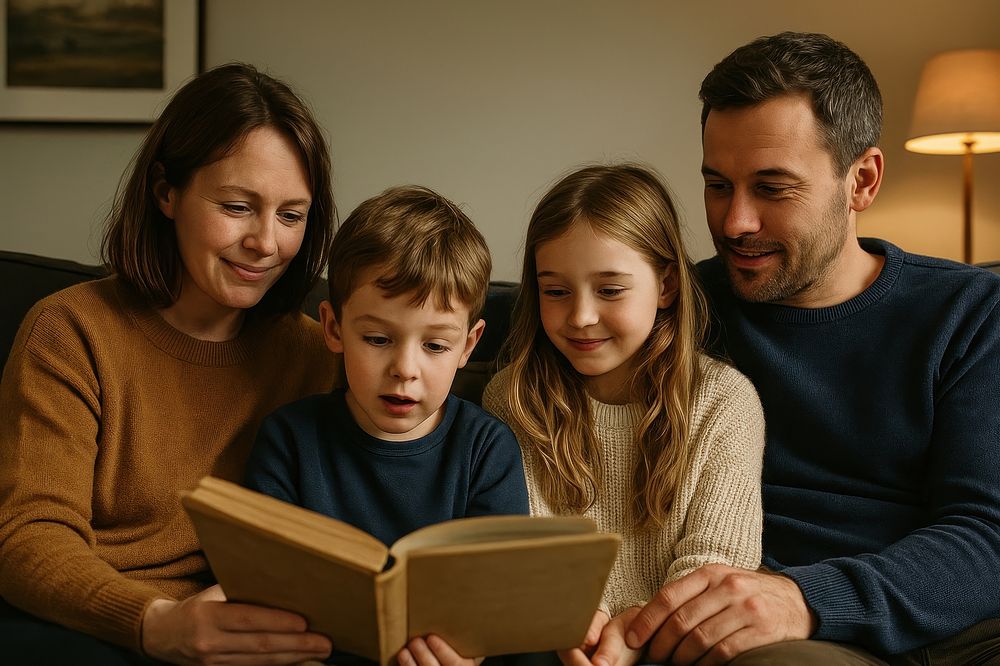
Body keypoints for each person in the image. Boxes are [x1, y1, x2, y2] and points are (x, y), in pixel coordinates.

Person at [624, 32, 1000, 665]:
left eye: (773, 189)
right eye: (718, 185)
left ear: (862, 181)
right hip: (710, 619)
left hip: (907, 633)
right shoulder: (676, 306)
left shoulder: (969, 314)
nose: (736, 223)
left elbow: (987, 537)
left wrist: (803, 599)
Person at [0, 63, 342, 665]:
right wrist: (156, 625)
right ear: (166, 191)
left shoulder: (318, 353)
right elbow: (29, 539)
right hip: (96, 630)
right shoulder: (71, 331)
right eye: (238, 206)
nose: (267, 243)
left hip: (259, 633)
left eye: (291, 216)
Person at [482, 164, 766, 666]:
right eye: (556, 291)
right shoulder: (514, 398)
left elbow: (715, 565)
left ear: (666, 286)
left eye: (610, 290)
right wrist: (574, 618)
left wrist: (632, 636)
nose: (580, 316)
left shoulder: (725, 402)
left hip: (678, 642)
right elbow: (526, 549)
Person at [244, 184, 530, 666]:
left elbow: (495, 601)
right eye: (377, 338)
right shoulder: (288, 439)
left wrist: (469, 653)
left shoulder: (487, 447)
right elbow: (260, 579)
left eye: (435, 346)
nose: (405, 368)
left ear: (468, 345)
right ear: (333, 328)